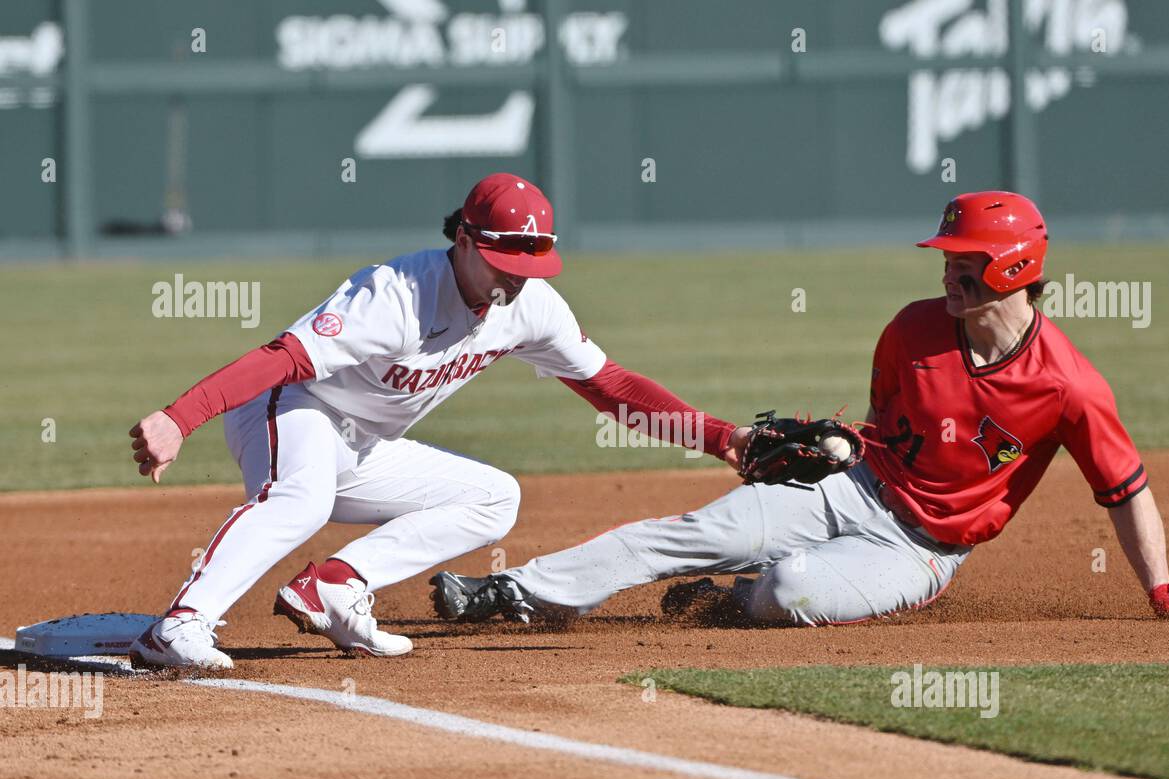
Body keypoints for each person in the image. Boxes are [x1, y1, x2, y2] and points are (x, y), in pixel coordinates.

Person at [431, 191, 1169, 627]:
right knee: (694, 533)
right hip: (855, 490)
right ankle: (520, 594)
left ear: (1012, 269)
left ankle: (730, 602)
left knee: (791, 591)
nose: (946, 272)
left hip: (924, 552)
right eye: (947, 258)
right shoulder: (914, 329)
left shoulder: (1070, 385)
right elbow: (891, 427)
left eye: (963, 261)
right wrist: (845, 445)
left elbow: (1126, 489)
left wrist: (1160, 590)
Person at [127, 173, 744, 669]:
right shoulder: (395, 295)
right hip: (294, 408)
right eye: (506, 258)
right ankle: (180, 625)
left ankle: (335, 587)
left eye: (530, 261)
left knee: (494, 499)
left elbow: (610, 387)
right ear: (467, 241)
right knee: (303, 499)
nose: (518, 277)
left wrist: (723, 438)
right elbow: (283, 358)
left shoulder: (530, 306)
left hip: (363, 445)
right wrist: (181, 419)